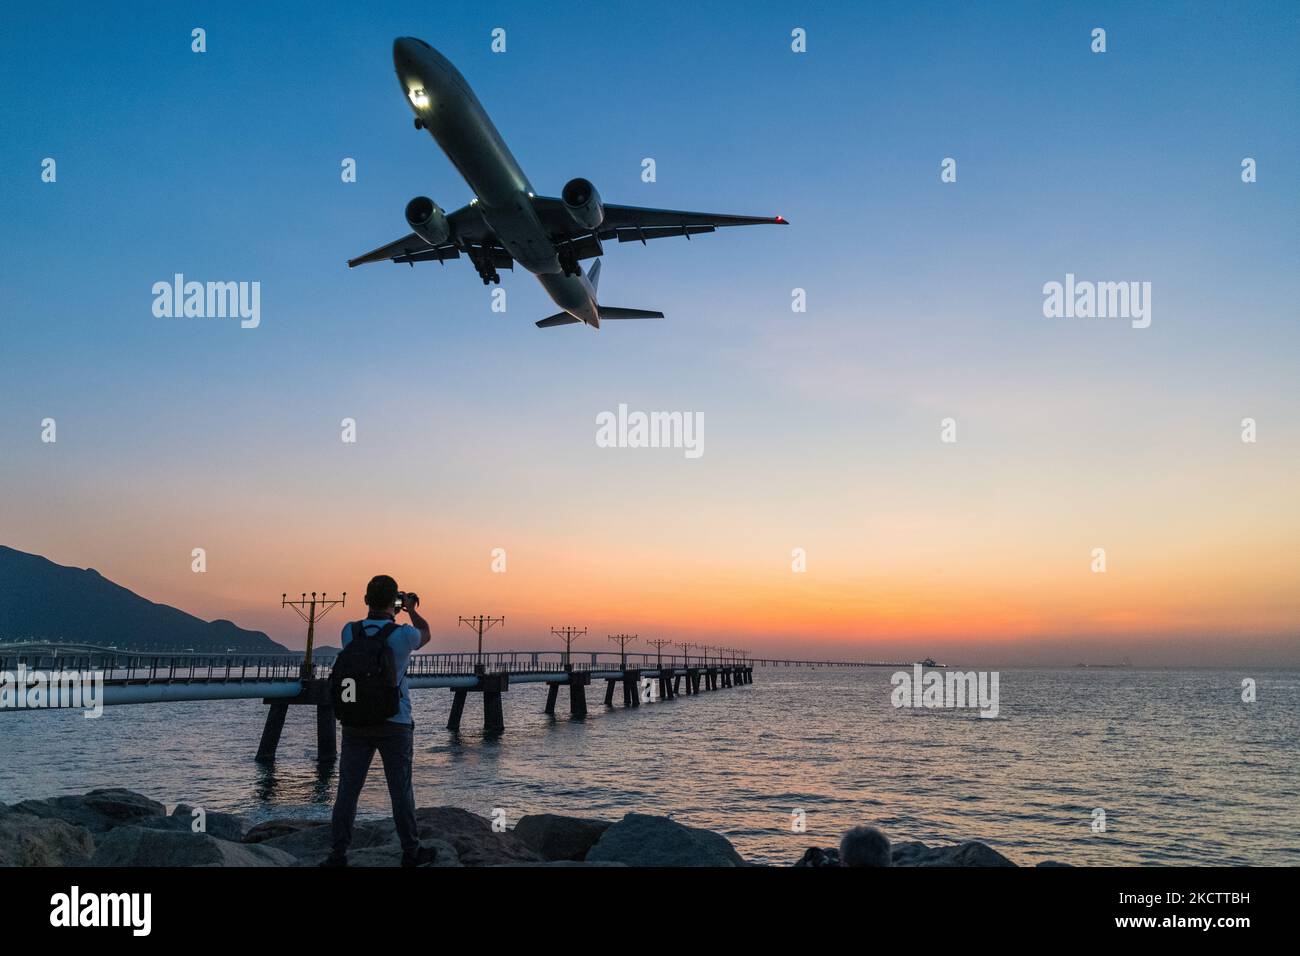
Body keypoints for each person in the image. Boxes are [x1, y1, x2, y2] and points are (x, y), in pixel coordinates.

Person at [322, 574, 434, 867]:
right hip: (395, 722)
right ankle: (411, 851)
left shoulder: (350, 631)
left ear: (366, 600)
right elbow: (426, 632)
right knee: (400, 790)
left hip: (354, 722)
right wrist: (410, 609)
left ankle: (337, 854)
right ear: (394, 602)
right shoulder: (404, 635)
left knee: (347, 790)